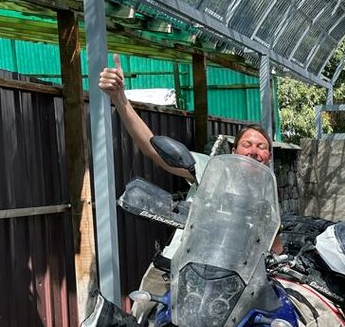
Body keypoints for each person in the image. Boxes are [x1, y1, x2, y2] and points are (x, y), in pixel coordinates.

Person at [97, 54, 280, 309]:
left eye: (262, 147)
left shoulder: (267, 196)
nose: (254, 151)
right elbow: (154, 150)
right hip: (175, 268)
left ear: (268, 157)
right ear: (234, 150)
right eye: (247, 144)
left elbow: (275, 245)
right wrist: (120, 100)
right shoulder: (212, 169)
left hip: (229, 284)